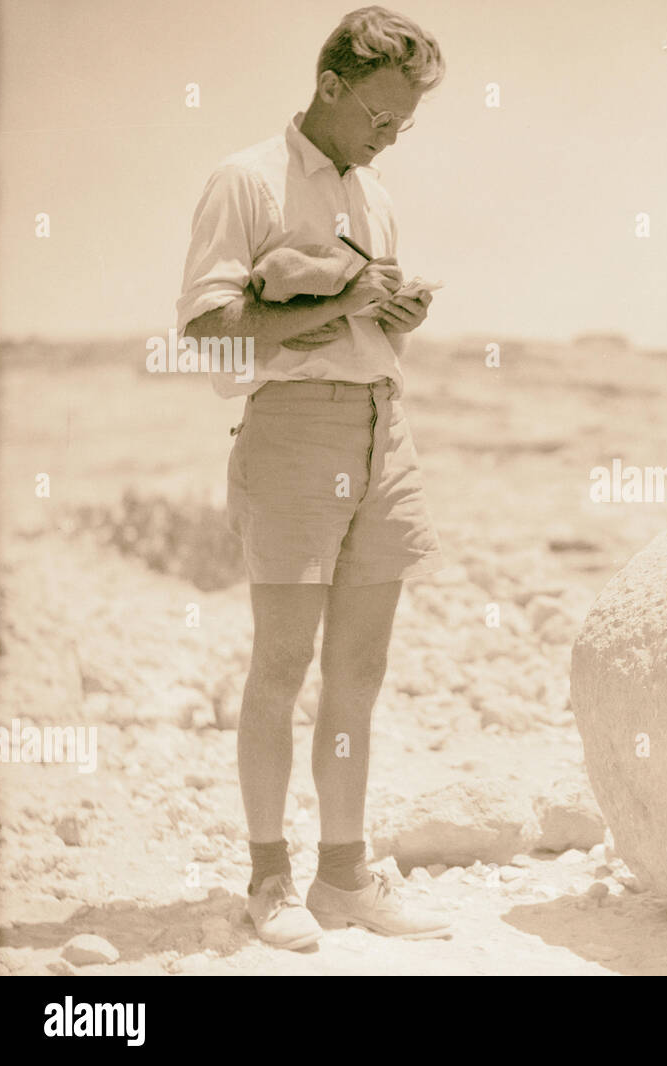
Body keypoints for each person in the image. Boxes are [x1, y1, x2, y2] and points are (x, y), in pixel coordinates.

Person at [177, 7, 451, 949]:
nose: (389, 139)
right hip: (293, 433)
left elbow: (360, 324)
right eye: (380, 118)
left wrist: (393, 311)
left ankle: (344, 875)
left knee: (360, 672)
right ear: (330, 85)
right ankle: (269, 877)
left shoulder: (374, 195)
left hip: (385, 428)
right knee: (282, 667)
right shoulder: (246, 179)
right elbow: (209, 332)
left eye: (404, 126)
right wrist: (339, 300)